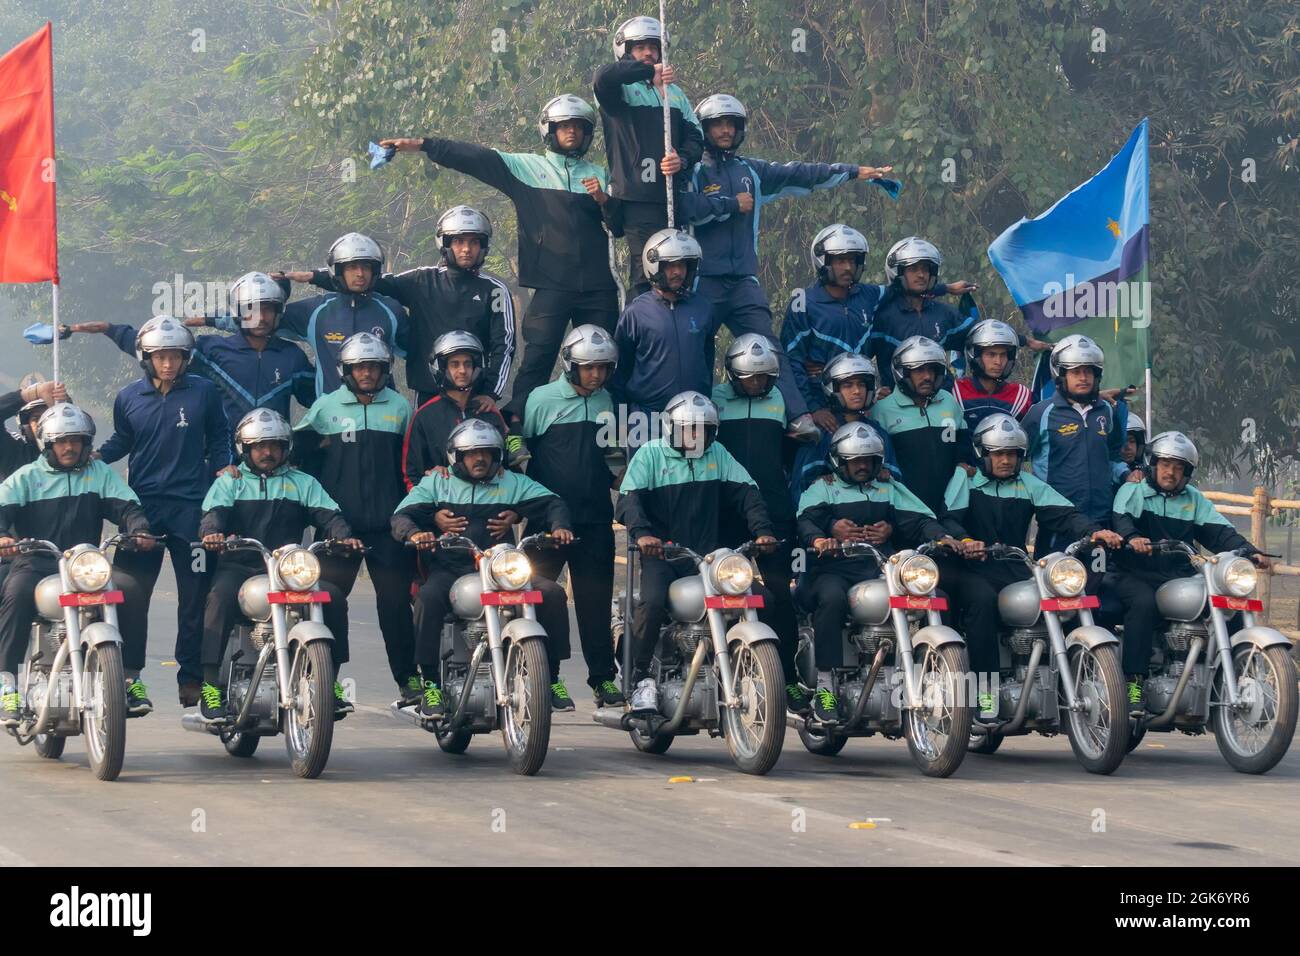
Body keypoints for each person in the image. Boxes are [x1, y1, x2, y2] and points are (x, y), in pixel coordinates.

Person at [378, 94, 621, 431]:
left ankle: (611, 434)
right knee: (537, 358)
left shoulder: (602, 175)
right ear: (549, 130)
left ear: (588, 133)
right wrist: (423, 145)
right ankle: (517, 429)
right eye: (564, 125)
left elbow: (620, 226)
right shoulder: (527, 168)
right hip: (551, 283)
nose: (572, 132)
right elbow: (475, 158)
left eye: (579, 127)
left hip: (599, 286)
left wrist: (604, 199)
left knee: (604, 358)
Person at [684, 93, 896, 426]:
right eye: (717, 125)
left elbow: (799, 173)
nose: (725, 131)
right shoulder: (692, 171)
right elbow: (685, 209)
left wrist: (853, 171)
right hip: (703, 281)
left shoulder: (750, 171)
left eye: (731, 124)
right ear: (703, 129)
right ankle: (695, 422)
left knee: (771, 350)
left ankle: (799, 418)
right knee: (695, 350)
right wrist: (730, 204)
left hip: (743, 282)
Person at [940, 414, 1122, 716]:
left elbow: (1065, 513)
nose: (1006, 460)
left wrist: (1093, 532)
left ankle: (1061, 685)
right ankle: (986, 695)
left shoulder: (1028, 483)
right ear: (983, 453)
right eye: (998, 454)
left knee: (1060, 599)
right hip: (973, 569)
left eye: (1012, 454)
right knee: (983, 602)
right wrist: (965, 540)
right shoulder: (967, 480)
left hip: (1016, 568)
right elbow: (949, 519)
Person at [391, 419, 577, 714]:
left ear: (497, 455)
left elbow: (554, 503)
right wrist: (415, 534)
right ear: (457, 456)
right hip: (451, 569)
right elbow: (401, 515)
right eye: (472, 453)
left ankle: (551, 678)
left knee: (552, 594)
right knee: (427, 598)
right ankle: (431, 684)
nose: (480, 459)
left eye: (487, 452)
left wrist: (559, 526)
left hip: (501, 571)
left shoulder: (511, 482)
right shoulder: (437, 483)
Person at [97, 316, 233, 710]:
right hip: (143, 511)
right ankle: (129, 679)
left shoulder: (204, 391)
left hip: (192, 510)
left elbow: (220, 435)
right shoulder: (128, 397)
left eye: (175, 356)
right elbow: (123, 439)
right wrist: (96, 456)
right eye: (160, 357)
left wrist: (224, 466)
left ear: (186, 357)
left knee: (196, 598)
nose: (169, 363)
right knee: (130, 594)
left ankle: (193, 680)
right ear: (146, 358)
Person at [614, 390, 779, 712]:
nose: (696, 436)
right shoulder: (650, 454)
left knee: (764, 600)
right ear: (671, 428)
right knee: (652, 603)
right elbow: (629, 500)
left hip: (711, 558)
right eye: (689, 428)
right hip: (664, 555)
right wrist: (643, 535)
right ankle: (641, 678)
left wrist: (762, 531)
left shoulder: (718, 454)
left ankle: (750, 667)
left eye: (703, 430)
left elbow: (749, 494)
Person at [197, 409, 362, 722]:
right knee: (218, 598)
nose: (268, 452)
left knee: (333, 598)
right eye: (260, 446)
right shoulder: (231, 482)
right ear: (246, 449)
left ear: (286, 448)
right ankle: (210, 685)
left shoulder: (302, 482)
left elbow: (330, 515)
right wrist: (212, 534)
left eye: (274, 445)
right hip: (241, 567)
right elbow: (212, 516)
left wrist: (343, 536)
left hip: (290, 571)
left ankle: (330, 680)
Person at [0, 403, 152, 726]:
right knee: (16, 593)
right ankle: (7, 684)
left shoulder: (98, 474)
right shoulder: (27, 477)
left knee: (131, 590)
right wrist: (3, 537)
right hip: (37, 562)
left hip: (85, 565)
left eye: (76, 440)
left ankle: (130, 677)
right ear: (47, 443)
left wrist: (138, 529)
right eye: (61, 441)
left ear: (86, 443)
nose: (69, 447)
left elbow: (128, 506)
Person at [795, 422, 956, 723]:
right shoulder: (822, 487)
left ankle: (932, 673)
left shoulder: (889, 488)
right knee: (832, 599)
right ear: (839, 461)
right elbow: (804, 522)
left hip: (880, 568)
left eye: (869, 460)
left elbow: (920, 519)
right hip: (833, 568)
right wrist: (823, 536)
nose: (863, 466)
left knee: (937, 597)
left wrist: (941, 537)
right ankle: (826, 687)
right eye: (855, 460)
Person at [294, 333, 418, 705]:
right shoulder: (325, 407)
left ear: (385, 370)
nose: (367, 373)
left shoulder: (400, 408)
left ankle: (410, 681)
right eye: (359, 367)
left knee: (395, 606)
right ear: (345, 370)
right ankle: (326, 683)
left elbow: (412, 463)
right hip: (338, 528)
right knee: (327, 602)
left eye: (374, 367)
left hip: (388, 528)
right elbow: (294, 453)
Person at [1107, 431, 1270, 709]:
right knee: (1143, 604)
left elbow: (1220, 532)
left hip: (1178, 577)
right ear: (1153, 464)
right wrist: (1133, 538)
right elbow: (1121, 520)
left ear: (1187, 472)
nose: (1170, 472)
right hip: (1132, 573)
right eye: (1165, 464)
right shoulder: (1134, 490)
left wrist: (1250, 551)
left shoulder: (1193, 499)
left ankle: (1226, 680)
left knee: (1228, 607)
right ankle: (1134, 685)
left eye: (1178, 467)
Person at [75, 272, 316, 452]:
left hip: (270, 457)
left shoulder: (292, 356)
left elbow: (318, 400)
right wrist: (112, 330)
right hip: (219, 461)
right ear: (238, 311)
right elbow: (160, 348)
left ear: (278, 312)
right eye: (252, 309)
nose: (261, 317)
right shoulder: (212, 349)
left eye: (268, 309)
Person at [520, 325, 624, 706]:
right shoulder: (541, 399)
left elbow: (614, 457)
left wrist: (627, 480)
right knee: (540, 601)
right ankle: (547, 678)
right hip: (546, 523)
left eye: (602, 367)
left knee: (595, 605)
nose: (596, 374)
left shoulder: (607, 402)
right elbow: (520, 447)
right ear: (570, 364)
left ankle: (603, 680)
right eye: (588, 367)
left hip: (595, 519)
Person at [781, 224, 974, 428]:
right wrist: (811, 408)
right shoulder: (803, 302)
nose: (848, 267)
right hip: (821, 405)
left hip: (860, 402)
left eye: (852, 260)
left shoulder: (869, 295)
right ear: (823, 261)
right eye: (840, 260)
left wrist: (946, 288)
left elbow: (903, 287)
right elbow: (791, 361)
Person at [711, 334, 805, 709]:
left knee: (780, 594)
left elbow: (792, 449)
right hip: (726, 511)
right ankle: (722, 673)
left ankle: (789, 679)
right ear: (733, 374)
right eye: (750, 377)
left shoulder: (781, 400)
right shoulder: (714, 399)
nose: (758, 383)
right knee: (721, 594)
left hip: (774, 510)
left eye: (765, 376)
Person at [215, 235, 408, 396]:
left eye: (366, 267)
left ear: (375, 270)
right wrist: (208, 320)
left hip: (383, 414)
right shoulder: (316, 311)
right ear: (338, 270)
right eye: (352, 267)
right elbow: (257, 320)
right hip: (330, 417)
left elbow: (416, 353)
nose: (360, 274)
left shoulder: (392, 310)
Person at [593, 15, 704, 295]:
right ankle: (638, 323)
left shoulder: (675, 94)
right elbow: (602, 78)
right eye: (640, 47)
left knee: (677, 272)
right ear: (625, 51)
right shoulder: (619, 91)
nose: (648, 52)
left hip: (672, 197)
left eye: (653, 47)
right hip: (636, 200)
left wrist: (682, 159)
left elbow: (696, 138)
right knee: (647, 274)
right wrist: (646, 72)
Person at [1022, 334, 1141, 553]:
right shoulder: (1040, 413)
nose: (1083, 378)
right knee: (1055, 576)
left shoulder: (1107, 411)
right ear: (1061, 374)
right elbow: (1016, 459)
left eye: (1089, 371)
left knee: (1101, 576)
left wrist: (1127, 474)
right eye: (1075, 372)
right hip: (1059, 522)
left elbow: (1113, 456)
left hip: (1102, 522)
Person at [609, 229, 716, 451]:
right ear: (654, 266)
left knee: (691, 474)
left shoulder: (703, 308)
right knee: (645, 474)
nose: (678, 272)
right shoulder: (635, 313)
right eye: (670, 265)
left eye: (683, 265)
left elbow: (707, 361)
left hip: (693, 420)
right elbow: (620, 373)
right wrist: (621, 421)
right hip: (646, 419)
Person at [869, 335, 974, 516]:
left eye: (932, 370)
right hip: (907, 508)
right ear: (903, 372)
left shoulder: (949, 401)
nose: (927, 377)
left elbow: (961, 439)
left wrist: (963, 462)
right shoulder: (882, 410)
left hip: (950, 504)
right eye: (919, 370)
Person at [402, 331, 509, 490]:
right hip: (443, 503)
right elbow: (411, 475)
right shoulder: (424, 416)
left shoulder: (490, 413)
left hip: (488, 503)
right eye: (454, 364)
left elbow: (507, 467)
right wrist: (430, 502)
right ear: (441, 367)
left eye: (468, 364)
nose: (462, 370)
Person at [790, 351, 899, 503]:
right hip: (831, 512)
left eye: (862, 384)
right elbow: (801, 484)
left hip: (873, 511)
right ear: (832, 388)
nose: (857, 391)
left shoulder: (878, 432)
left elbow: (896, 481)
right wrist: (821, 481)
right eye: (848, 385)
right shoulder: (820, 433)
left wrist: (884, 474)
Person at [868, 237, 977, 377]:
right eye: (913, 269)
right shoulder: (882, 318)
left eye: (925, 269)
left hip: (942, 390)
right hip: (896, 391)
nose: (921, 275)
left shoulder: (945, 313)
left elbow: (980, 339)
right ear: (898, 272)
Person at [954, 319, 1033, 430]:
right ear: (976, 355)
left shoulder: (1021, 395)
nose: (998, 362)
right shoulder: (955, 391)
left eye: (1003, 355)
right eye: (991, 355)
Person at [0, 374, 66, 482]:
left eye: (50, 415)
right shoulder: (14, 454)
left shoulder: (79, 453)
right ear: (26, 426)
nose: (44, 422)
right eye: (37, 418)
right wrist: (35, 393)